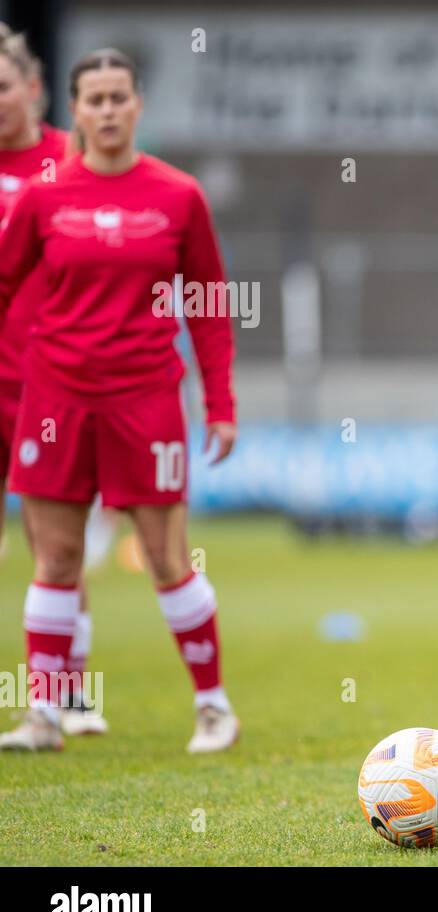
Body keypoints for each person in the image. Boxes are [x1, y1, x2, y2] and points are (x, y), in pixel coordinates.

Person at [0, 48, 239, 754]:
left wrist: (220, 404)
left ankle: (214, 707)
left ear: (138, 105)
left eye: (118, 97)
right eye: (94, 99)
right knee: (56, 557)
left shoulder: (179, 195)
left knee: (166, 557)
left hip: (146, 397)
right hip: (55, 398)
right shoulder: (44, 195)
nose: (107, 110)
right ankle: (44, 716)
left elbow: (209, 305)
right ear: (73, 109)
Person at [0, 25, 111, 737]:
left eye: (2, 86)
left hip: (46, 388)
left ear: (34, 88)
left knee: (57, 548)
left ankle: (69, 694)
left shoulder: (70, 161)